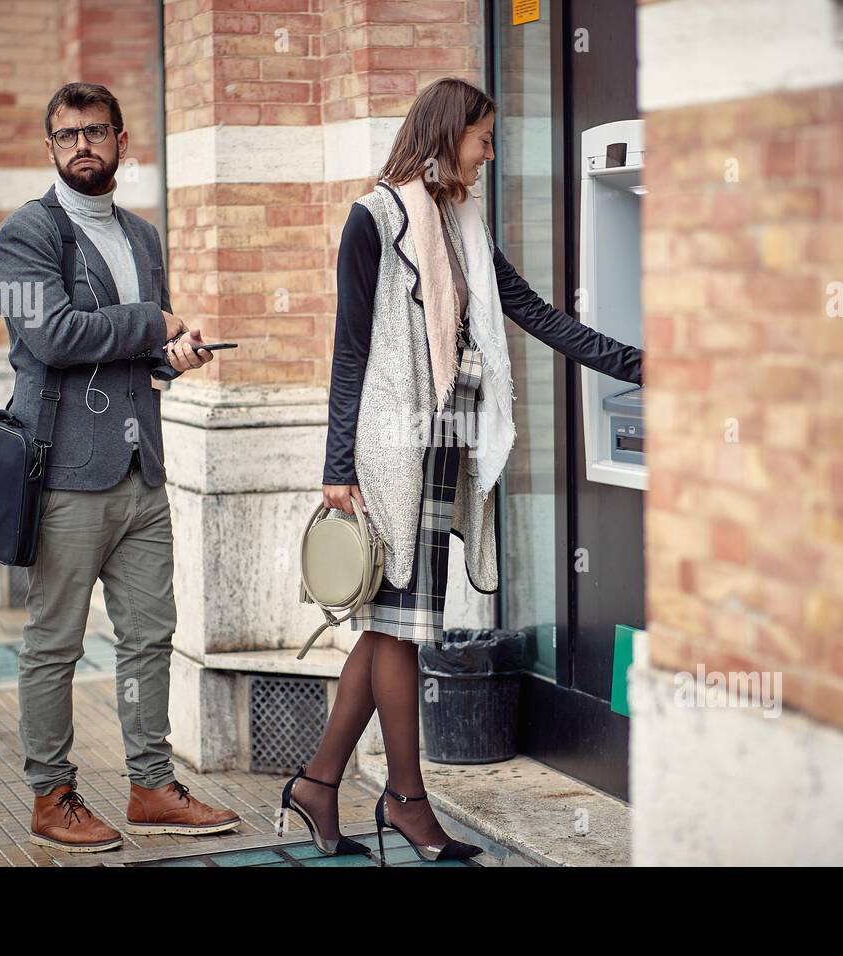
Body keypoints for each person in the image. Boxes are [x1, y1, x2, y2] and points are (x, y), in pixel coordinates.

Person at [282, 77, 643, 863]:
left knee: (391, 626)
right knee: (403, 629)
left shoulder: (464, 222)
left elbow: (535, 312)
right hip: (388, 450)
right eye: (482, 139)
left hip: (444, 444)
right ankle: (407, 800)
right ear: (449, 135)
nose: (486, 155)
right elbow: (349, 352)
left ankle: (317, 783)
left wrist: (636, 363)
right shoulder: (372, 219)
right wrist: (335, 463)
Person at [0, 82, 239, 852]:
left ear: (122, 140)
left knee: (149, 637)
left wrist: (173, 358)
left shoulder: (142, 237)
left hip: (142, 469)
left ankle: (151, 786)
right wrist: (149, 323)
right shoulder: (27, 234)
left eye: (96, 131)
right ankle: (52, 794)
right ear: (50, 148)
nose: (83, 146)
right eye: (66, 136)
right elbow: (57, 337)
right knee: (55, 642)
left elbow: (136, 356)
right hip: (65, 473)